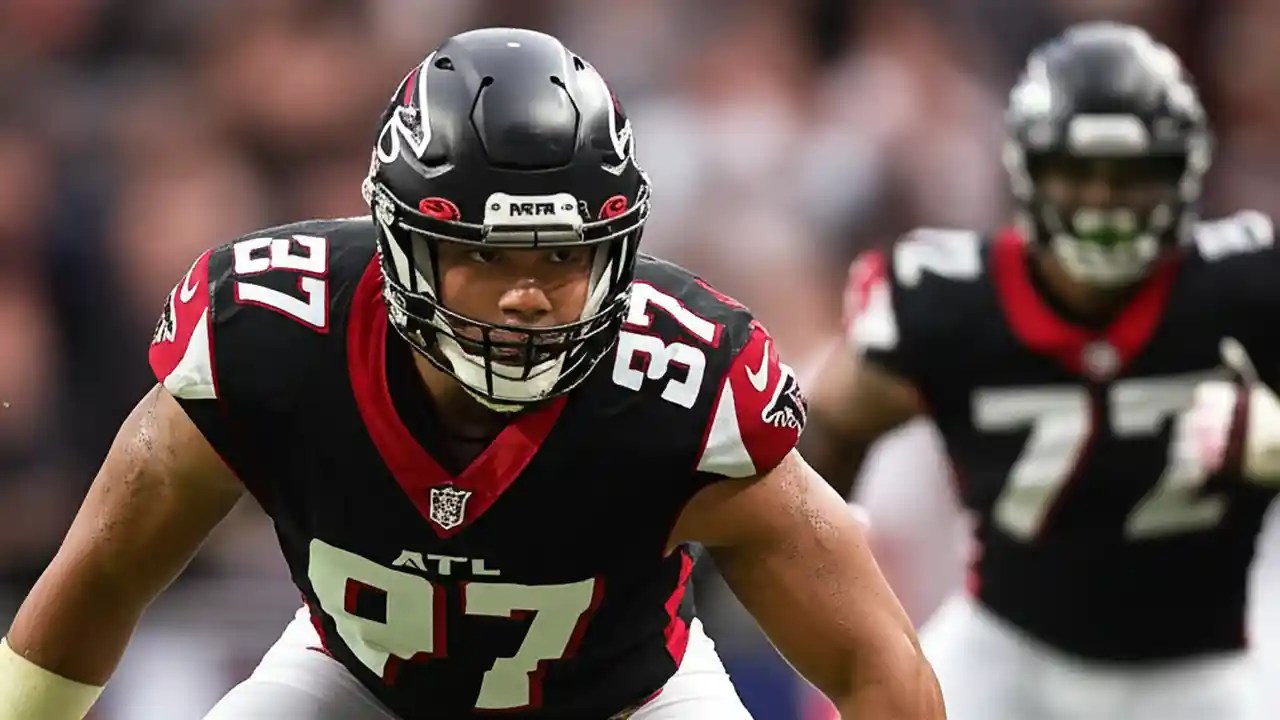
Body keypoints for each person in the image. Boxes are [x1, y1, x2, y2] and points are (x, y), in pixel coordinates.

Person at [0, 28, 942, 720]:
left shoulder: (680, 387)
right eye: (489, 257)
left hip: (625, 705)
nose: (529, 296)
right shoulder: (272, 336)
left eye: (563, 257)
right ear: (405, 244)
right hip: (353, 686)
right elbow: (101, 578)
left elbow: (876, 663)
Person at [802, 21, 1280, 720]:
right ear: (1028, 169)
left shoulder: (1247, 292)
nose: (1103, 203)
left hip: (1198, 669)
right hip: (1005, 653)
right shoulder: (952, 306)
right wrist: (834, 602)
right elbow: (824, 438)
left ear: (1183, 173)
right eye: (1077, 174)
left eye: (1130, 178)